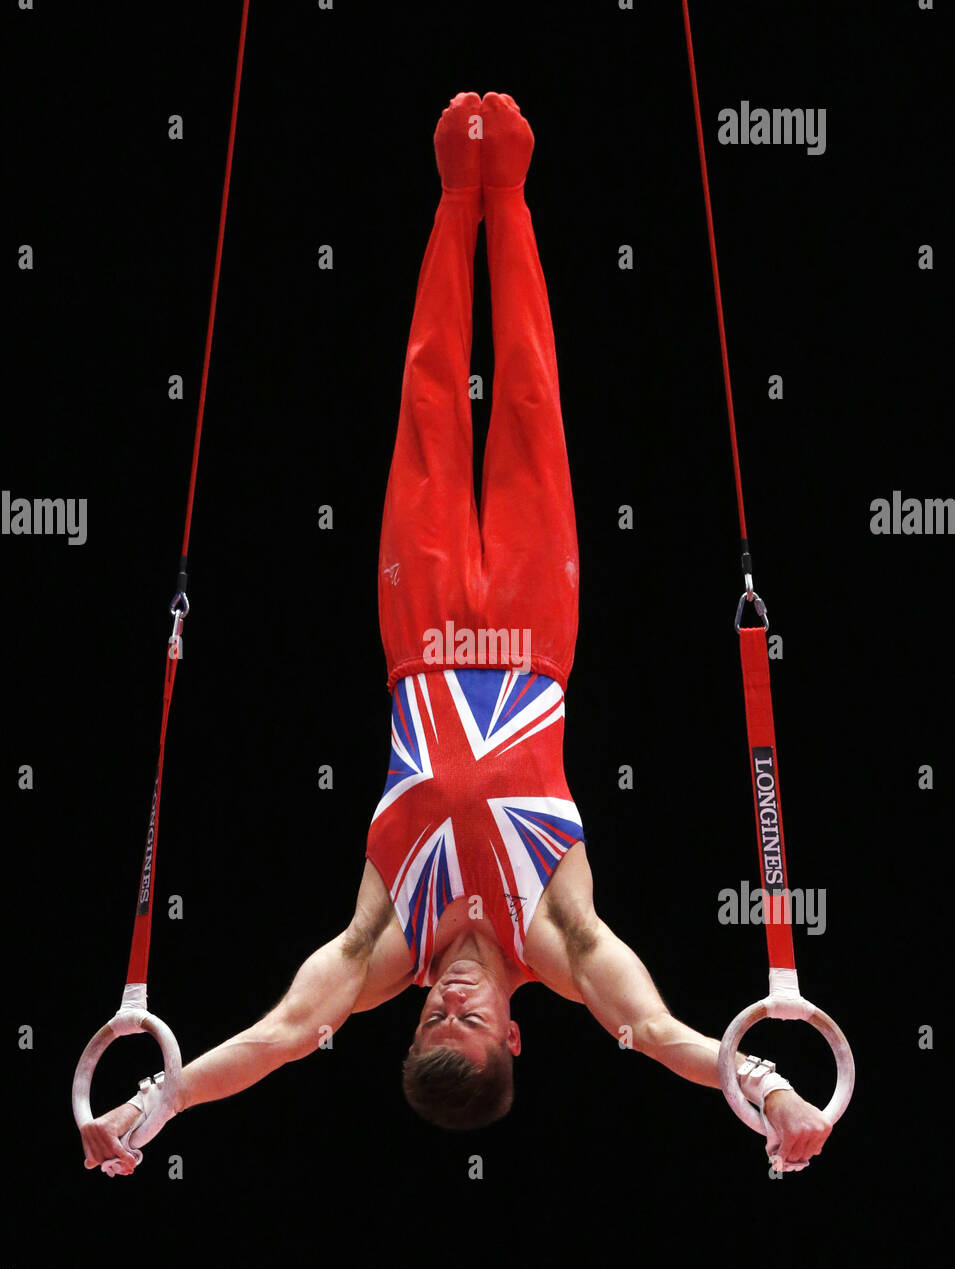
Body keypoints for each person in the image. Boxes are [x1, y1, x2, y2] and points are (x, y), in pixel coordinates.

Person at [81, 92, 831, 1170]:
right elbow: (666, 1034)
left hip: (418, 630)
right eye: (469, 1023)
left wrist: (150, 1110)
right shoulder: (554, 941)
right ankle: (508, 195)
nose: (452, 1001)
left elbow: (286, 1034)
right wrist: (771, 1097)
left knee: (430, 399)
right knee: (528, 399)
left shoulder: (385, 944)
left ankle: (454, 195)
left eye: (432, 1019)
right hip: (535, 632)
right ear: (513, 1033)